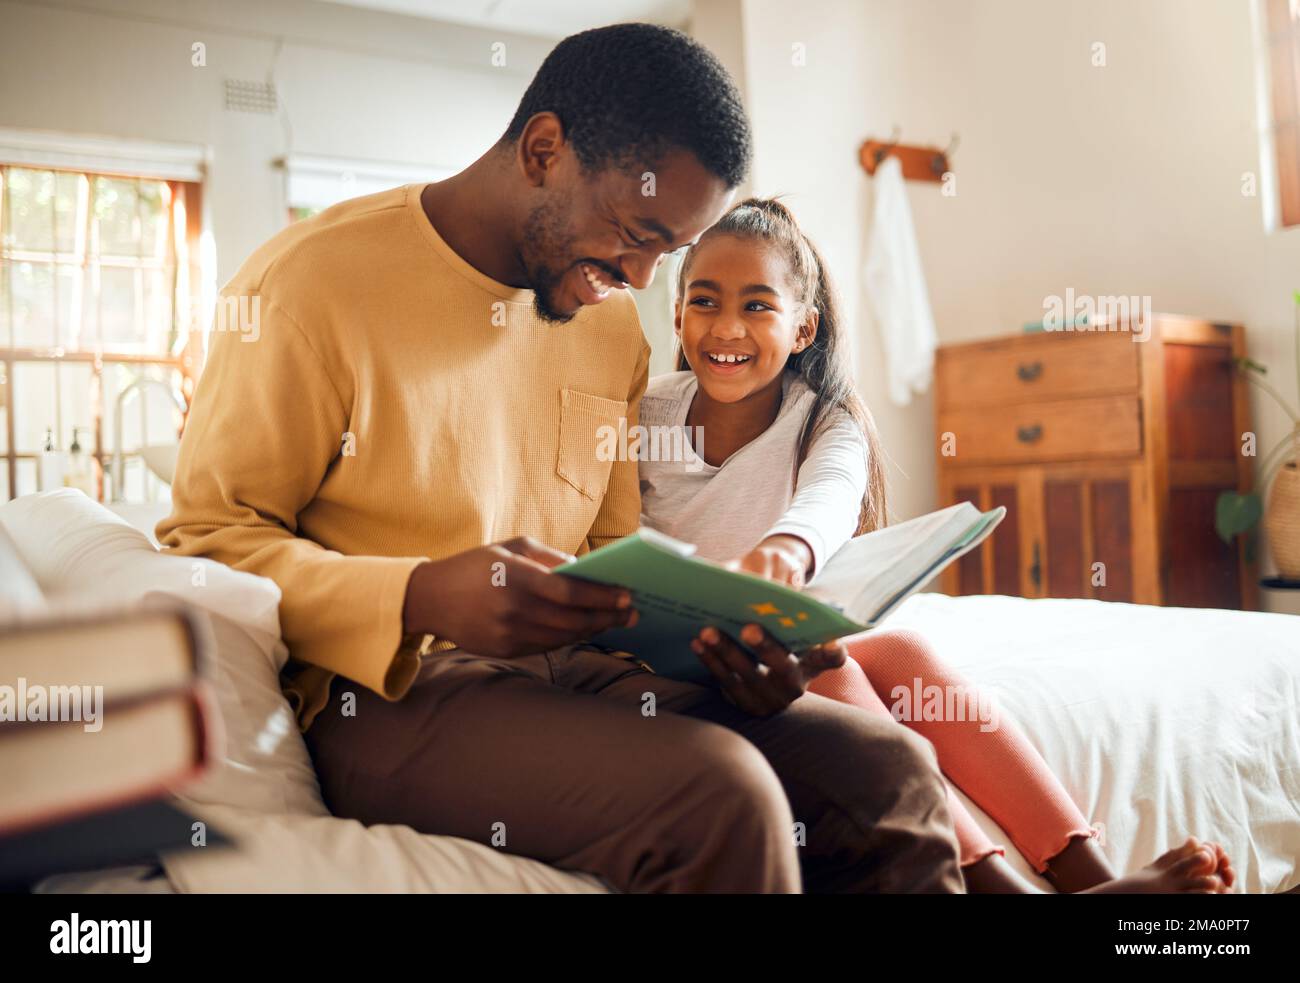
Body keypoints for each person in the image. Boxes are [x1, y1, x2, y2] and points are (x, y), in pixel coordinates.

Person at [158, 24, 964, 894]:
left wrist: (724, 650)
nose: (647, 280)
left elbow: (613, 560)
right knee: (722, 797)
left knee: (888, 769)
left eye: (670, 251)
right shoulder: (308, 286)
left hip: (584, 670)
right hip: (385, 692)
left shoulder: (608, 321)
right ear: (544, 149)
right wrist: (421, 593)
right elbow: (208, 540)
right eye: (636, 232)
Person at [637, 196, 1236, 893]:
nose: (727, 327)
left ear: (803, 328)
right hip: (690, 662)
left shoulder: (826, 420)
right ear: (677, 314)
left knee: (902, 652)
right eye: (704, 301)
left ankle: (1091, 874)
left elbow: (826, 502)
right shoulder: (647, 412)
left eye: (758, 306)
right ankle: (998, 888)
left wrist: (784, 555)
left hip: (776, 639)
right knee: (830, 671)